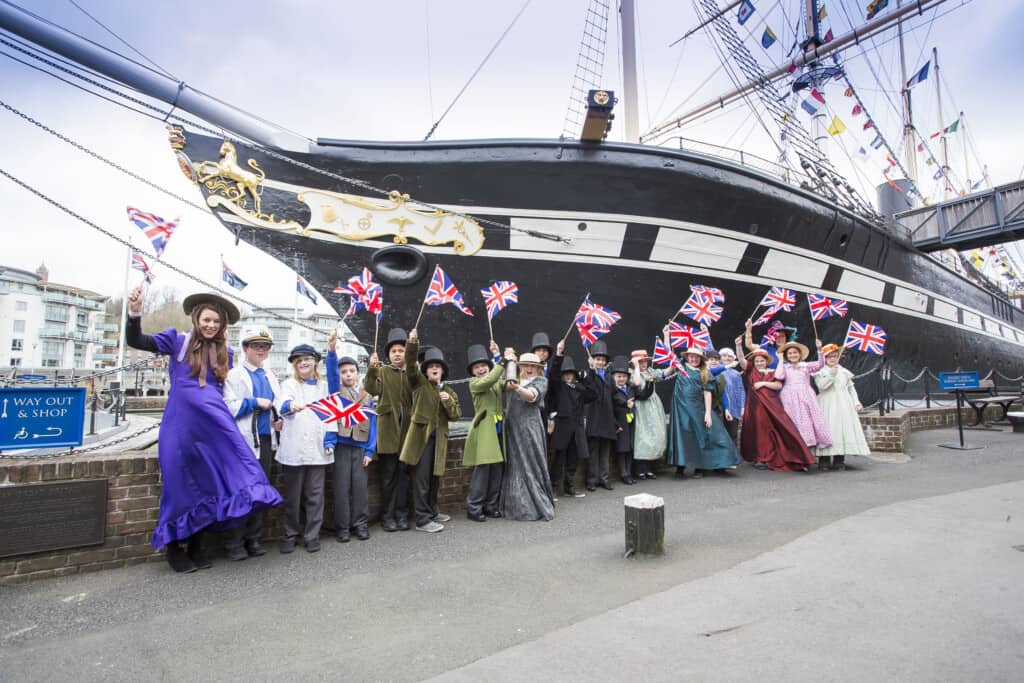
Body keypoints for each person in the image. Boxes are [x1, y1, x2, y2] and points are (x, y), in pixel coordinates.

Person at [124, 287, 282, 573]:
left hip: (211, 426)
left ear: (222, 325)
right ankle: (174, 547)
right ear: (197, 319)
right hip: (180, 425)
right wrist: (135, 313)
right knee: (178, 485)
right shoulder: (177, 341)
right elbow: (137, 340)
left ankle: (197, 545)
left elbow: (222, 391)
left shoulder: (225, 353)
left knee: (209, 482)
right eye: (206, 320)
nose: (211, 325)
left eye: (216, 321)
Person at [222, 325, 282, 561]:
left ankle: (254, 538)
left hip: (265, 440)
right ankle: (234, 542)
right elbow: (228, 407)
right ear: (245, 348)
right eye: (256, 346)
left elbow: (277, 404)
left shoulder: (270, 375)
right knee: (241, 492)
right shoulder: (234, 375)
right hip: (243, 441)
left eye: (265, 346)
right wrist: (254, 402)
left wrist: (278, 419)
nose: (261, 350)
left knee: (261, 490)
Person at [400, 329, 461, 533]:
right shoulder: (419, 383)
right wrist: (412, 343)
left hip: (439, 441)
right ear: (425, 371)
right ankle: (422, 520)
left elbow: (456, 415)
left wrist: (448, 402)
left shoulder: (449, 391)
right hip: (421, 440)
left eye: (438, 366)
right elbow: (410, 365)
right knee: (422, 481)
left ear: (443, 371)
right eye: (431, 366)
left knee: (435, 479)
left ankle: (432, 511)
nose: (435, 369)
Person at [275, 344, 332, 553]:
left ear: (315, 361)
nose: (304, 363)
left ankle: (312, 535)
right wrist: (290, 407)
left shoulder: (324, 387)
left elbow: (331, 415)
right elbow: (282, 405)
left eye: (307, 359)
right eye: (299, 361)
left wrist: (330, 440)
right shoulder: (289, 384)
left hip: (317, 448)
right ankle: (290, 534)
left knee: (315, 495)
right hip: (294, 448)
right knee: (292, 496)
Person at [325, 330, 378, 541]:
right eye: (344, 371)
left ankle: (360, 524)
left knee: (360, 489)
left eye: (352, 371)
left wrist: (370, 450)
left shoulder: (367, 396)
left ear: (357, 373)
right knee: (341, 489)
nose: (348, 374)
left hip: (360, 448)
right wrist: (331, 350)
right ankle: (343, 527)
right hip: (341, 446)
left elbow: (373, 425)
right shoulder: (336, 391)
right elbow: (331, 371)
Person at [734, 335, 814, 472]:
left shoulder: (773, 372)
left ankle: (797, 458)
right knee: (759, 431)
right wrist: (738, 346)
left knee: (782, 429)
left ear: (766, 361)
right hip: (755, 406)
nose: (759, 363)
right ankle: (761, 457)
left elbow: (778, 385)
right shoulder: (751, 370)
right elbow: (741, 360)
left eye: (761, 361)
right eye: (757, 361)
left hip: (772, 405)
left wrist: (763, 383)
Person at [666, 346, 741, 477]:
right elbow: (668, 355)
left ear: (701, 359)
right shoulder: (681, 368)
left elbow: (707, 393)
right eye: (691, 357)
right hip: (680, 408)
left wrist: (707, 413)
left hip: (697, 408)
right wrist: (667, 337)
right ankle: (680, 467)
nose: (694, 359)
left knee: (701, 435)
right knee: (682, 436)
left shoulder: (705, 372)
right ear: (687, 357)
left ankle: (700, 467)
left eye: (697, 357)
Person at [364, 328, 413, 531]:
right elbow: (371, 388)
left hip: (407, 435)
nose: (397, 354)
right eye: (394, 351)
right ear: (389, 354)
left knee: (404, 477)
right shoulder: (383, 372)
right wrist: (372, 368)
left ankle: (402, 515)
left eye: (401, 350)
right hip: (388, 435)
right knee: (388, 478)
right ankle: (387, 516)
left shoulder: (412, 373)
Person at [500, 350, 555, 521]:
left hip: (530, 429)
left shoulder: (541, 381)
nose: (529, 368)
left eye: (533, 366)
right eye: (526, 365)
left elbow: (531, 396)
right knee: (515, 464)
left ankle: (536, 505)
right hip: (512, 427)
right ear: (520, 366)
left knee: (531, 462)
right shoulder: (511, 377)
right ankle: (515, 505)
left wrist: (517, 387)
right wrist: (504, 358)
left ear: (538, 368)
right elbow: (498, 380)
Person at [462, 341, 505, 522]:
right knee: (482, 470)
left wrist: (501, 357)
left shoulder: (494, 380)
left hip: (498, 429)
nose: (480, 369)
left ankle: (490, 505)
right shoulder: (475, 383)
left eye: (483, 365)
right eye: (476, 367)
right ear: (472, 372)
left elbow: (505, 383)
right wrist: (500, 362)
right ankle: (474, 507)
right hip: (484, 429)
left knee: (497, 469)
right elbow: (490, 380)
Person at [548, 341, 596, 498]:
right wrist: (558, 354)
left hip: (577, 429)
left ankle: (569, 487)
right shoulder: (559, 387)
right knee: (559, 459)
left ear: (575, 375)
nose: (568, 375)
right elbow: (553, 375)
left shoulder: (579, 387)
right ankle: (553, 488)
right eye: (565, 373)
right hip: (562, 428)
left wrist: (591, 370)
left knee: (573, 460)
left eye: (571, 373)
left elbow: (592, 394)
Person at [812, 343, 870, 470]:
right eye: (829, 357)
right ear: (824, 358)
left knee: (842, 429)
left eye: (835, 356)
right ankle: (824, 460)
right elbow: (822, 386)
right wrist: (831, 375)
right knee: (827, 429)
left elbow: (850, 389)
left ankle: (839, 460)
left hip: (844, 404)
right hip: (827, 403)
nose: (832, 359)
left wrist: (856, 402)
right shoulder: (820, 371)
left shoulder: (844, 371)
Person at [775, 338, 833, 453]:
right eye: (790, 353)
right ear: (786, 355)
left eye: (795, 352)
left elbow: (820, 365)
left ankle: (808, 447)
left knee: (806, 420)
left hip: (805, 395)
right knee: (793, 420)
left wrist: (819, 350)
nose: (793, 355)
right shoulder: (785, 367)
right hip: (789, 397)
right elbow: (779, 376)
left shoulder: (805, 366)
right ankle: (795, 450)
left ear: (800, 354)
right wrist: (780, 361)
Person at [582, 340, 616, 491]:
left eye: (602, 360)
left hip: (607, 419)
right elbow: (588, 387)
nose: (600, 362)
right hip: (594, 419)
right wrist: (591, 370)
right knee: (593, 451)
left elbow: (614, 395)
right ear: (592, 360)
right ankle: (592, 480)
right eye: (597, 359)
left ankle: (604, 478)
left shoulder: (609, 377)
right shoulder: (589, 375)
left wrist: (625, 402)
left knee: (605, 452)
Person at [629, 349, 665, 480]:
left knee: (653, 435)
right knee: (641, 436)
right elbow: (637, 383)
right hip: (641, 407)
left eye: (644, 361)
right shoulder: (631, 373)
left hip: (653, 407)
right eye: (640, 361)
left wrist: (672, 363)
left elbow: (665, 373)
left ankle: (649, 468)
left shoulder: (651, 372)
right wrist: (636, 367)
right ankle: (640, 469)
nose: (643, 364)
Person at [610, 357, 638, 485]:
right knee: (622, 449)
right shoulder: (613, 391)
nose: (621, 379)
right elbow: (612, 407)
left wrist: (649, 384)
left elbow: (643, 394)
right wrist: (616, 424)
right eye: (619, 376)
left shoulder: (630, 388)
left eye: (624, 376)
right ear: (614, 377)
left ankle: (629, 472)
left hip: (630, 423)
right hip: (620, 423)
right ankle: (624, 474)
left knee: (630, 449)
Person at [717, 347, 746, 448]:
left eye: (730, 356)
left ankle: (733, 455)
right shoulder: (716, 370)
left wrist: (742, 406)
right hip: (719, 407)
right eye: (724, 356)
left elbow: (740, 390)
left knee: (733, 433)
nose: (727, 358)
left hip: (733, 407)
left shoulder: (736, 374)